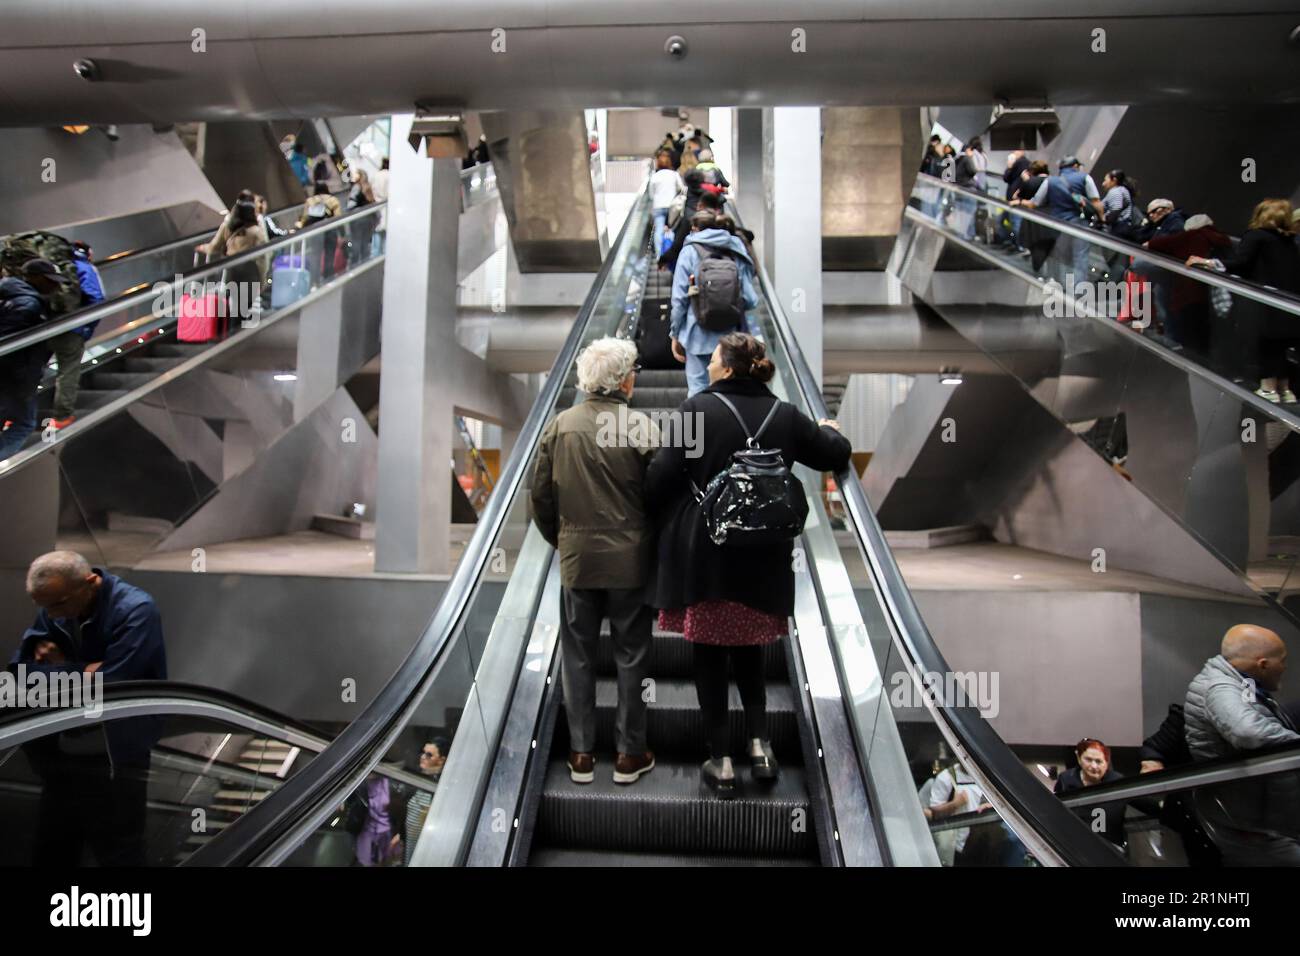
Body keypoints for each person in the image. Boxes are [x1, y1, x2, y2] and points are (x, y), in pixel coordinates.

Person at [645, 333, 851, 797]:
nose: (709, 363)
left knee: (710, 659)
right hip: (764, 559)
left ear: (729, 367)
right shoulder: (785, 415)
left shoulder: (695, 410)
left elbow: (659, 477)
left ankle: (720, 762)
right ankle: (761, 748)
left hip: (708, 555)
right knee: (751, 655)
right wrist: (830, 427)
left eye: (714, 357)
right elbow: (833, 453)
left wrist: (666, 515)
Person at [530, 337, 658, 786]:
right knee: (632, 656)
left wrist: (563, 540)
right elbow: (661, 497)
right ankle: (629, 754)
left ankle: (581, 754)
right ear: (624, 381)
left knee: (578, 657)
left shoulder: (560, 426)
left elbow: (541, 495)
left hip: (578, 562)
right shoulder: (642, 428)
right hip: (631, 563)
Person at [10, 551, 167, 866]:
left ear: (90, 583)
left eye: (58, 605)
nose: (51, 616)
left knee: (119, 853)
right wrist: (82, 671)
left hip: (116, 759)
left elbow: (114, 684)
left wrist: (60, 668)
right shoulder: (56, 606)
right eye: (42, 606)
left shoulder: (136, 609)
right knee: (53, 849)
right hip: (61, 756)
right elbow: (19, 675)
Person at [1183, 624, 1300, 865]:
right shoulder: (1220, 687)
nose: (1285, 667)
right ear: (1263, 664)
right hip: (1246, 826)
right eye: (1283, 661)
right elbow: (1248, 732)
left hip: (1257, 819)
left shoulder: (1241, 681)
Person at [1188, 199, 1300, 402]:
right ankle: (1285, 390)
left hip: (1264, 303)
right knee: (1281, 346)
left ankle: (1268, 388)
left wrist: (1209, 262)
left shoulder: (1256, 236)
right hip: (1288, 303)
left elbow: (1241, 263)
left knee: (1266, 344)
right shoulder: (1290, 242)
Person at [669, 210, 761, 396]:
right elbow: (751, 299)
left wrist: (675, 334)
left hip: (696, 334)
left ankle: (701, 425)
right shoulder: (736, 249)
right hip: (731, 339)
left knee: (697, 390)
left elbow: (679, 300)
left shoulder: (689, 251)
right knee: (731, 393)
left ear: (695, 229)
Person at [1139, 703, 1222, 866]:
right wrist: (1151, 763)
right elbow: (1154, 747)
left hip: (1233, 819)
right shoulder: (1185, 718)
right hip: (1189, 820)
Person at [0, 259, 65, 458]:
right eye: (49, 280)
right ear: (34, 277)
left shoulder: (14, 295)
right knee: (24, 424)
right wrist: (23, 380)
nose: (55, 286)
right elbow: (10, 344)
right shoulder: (29, 304)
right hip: (13, 378)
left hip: (12, 376)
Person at [1144, 213, 1232, 356]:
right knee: (1206, 335)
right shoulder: (1222, 238)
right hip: (1216, 295)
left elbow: (1154, 244)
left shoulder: (1190, 236)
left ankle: (1191, 364)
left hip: (1190, 293)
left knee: (1190, 336)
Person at [1020, 156, 1104, 289]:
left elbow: (1034, 203)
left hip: (1058, 225)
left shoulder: (1050, 181)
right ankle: (1079, 290)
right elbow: (1096, 203)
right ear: (1075, 166)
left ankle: (1064, 288)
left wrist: (1019, 202)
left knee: (1061, 257)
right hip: (1079, 224)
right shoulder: (1084, 177)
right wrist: (1102, 219)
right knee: (1080, 257)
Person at [1054, 738, 1132, 851]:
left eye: (1099, 761)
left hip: (1110, 849)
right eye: (1088, 760)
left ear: (1107, 762)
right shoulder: (1066, 779)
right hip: (1075, 847)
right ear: (1079, 758)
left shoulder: (1118, 782)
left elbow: (1142, 801)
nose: (1094, 766)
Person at [922, 762, 986, 865]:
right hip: (953, 847)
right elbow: (933, 814)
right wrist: (955, 804)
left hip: (976, 844)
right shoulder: (946, 777)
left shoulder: (986, 777)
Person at [403, 736, 448, 865]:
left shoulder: (440, 787)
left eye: (429, 755)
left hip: (426, 849)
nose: (423, 756)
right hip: (410, 842)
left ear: (441, 761)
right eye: (423, 752)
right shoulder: (418, 778)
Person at [298, 183, 343, 282]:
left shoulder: (310, 201)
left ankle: (314, 281)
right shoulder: (333, 200)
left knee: (315, 255)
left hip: (315, 231)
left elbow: (305, 218)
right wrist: (342, 234)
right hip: (330, 230)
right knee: (329, 256)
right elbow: (338, 218)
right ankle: (328, 278)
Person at [649, 150, 685, 261]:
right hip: (672, 206)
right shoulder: (674, 175)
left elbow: (651, 194)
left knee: (658, 230)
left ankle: (659, 255)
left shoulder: (655, 176)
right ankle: (672, 254)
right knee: (673, 229)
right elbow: (682, 188)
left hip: (658, 206)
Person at [345, 168, 376, 265]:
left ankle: (354, 265)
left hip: (357, 219)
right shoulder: (368, 187)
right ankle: (364, 263)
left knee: (356, 243)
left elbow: (351, 204)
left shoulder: (356, 187)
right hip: (368, 219)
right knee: (365, 243)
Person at [371, 157, 390, 252]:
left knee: (376, 236)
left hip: (376, 207)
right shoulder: (391, 175)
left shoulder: (376, 175)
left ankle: (375, 255)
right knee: (386, 238)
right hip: (388, 208)